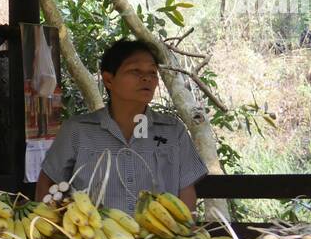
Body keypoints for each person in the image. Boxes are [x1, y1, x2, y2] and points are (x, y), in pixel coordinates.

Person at [35, 39, 208, 214]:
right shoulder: (77, 131)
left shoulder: (173, 131)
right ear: (109, 80)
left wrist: (185, 231)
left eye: (152, 72)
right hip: (94, 238)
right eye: (135, 71)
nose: (147, 78)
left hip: (160, 237)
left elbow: (186, 189)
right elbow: (47, 182)